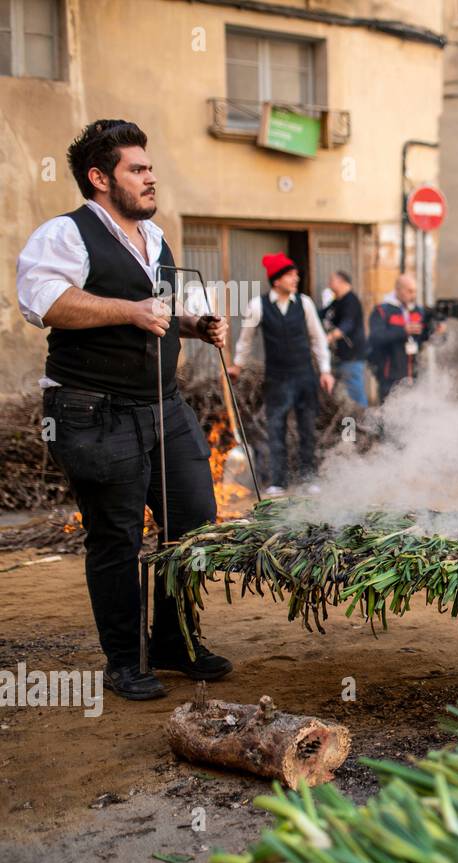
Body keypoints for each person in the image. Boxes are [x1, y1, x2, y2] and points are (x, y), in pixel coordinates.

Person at [16, 119, 232, 700]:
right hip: (92, 410)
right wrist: (129, 312)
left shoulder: (156, 239)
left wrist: (191, 324)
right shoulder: (63, 235)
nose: (150, 177)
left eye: (149, 168)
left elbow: (155, 312)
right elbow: (48, 305)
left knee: (192, 522)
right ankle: (124, 659)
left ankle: (175, 640)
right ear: (99, 177)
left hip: (163, 406)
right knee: (115, 537)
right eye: (136, 169)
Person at [229, 253, 333, 495]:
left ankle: (309, 478)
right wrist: (237, 365)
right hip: (277, 378)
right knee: (276, 428)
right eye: (290, 274)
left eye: (295, 274)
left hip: (304, 376)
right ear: (276, 280)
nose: (295, 278)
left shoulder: (304, 303)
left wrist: (325, 370)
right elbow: (246, 340)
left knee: (307, 428)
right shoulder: (257, 305)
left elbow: (318, 339)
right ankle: (278, 481)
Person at [368, 273, 437, 403]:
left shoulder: (418, 311)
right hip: (389, 375)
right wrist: (402, 331)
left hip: (414, 373)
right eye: (410, 291)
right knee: (390, 416)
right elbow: (376, 337)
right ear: (398, 290)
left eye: (415, 291)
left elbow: (422, 338)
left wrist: (434, 330)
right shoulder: (382, 310)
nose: (413, 295)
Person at [322, 270, 367, 407]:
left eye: (332, 280)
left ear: (341, 282)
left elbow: (348, 324)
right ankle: (348, 425)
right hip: (339, 357)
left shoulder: (351, 301)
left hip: (351, 357)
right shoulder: (337, 302)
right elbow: (321, 314)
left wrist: (329, 337)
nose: (329, 283)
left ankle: (362, 424)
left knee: (355, 395)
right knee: (342, 396)